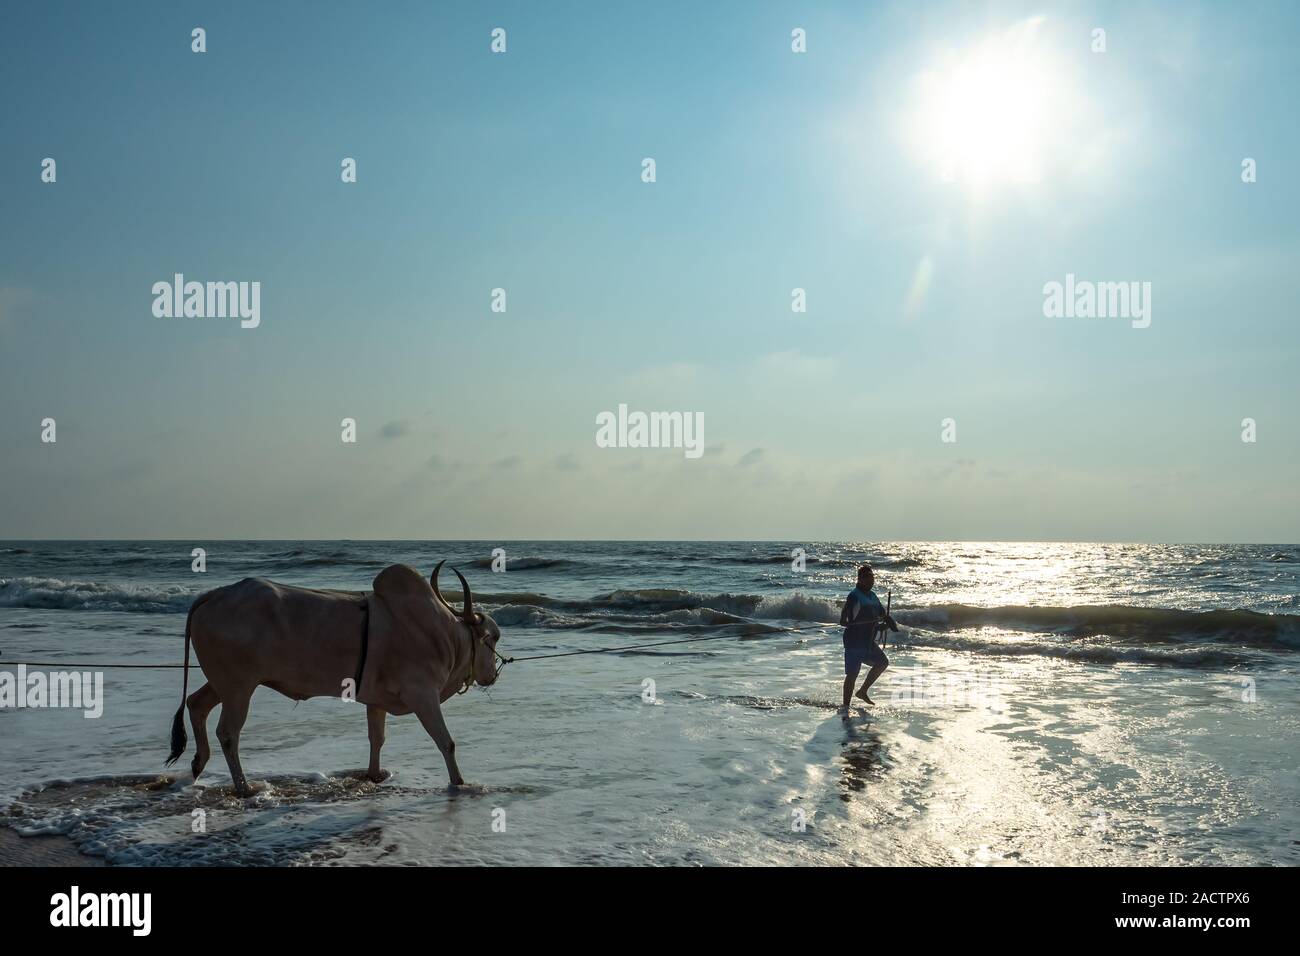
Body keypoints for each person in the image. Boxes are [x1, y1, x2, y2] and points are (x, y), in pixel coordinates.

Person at [839, 564, 896, 710]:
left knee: (882, 663)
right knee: (852, 673)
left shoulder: (873, 596)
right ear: (859, 579)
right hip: (854, 641)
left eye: (872, 578)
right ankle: (845, 706)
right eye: (867, 578)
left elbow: (883, 615)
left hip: (868, 641)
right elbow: (843, 619)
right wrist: (849, 622)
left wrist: (888, 623)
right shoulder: (854, 596)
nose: (870, 581)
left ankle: (862, 691)